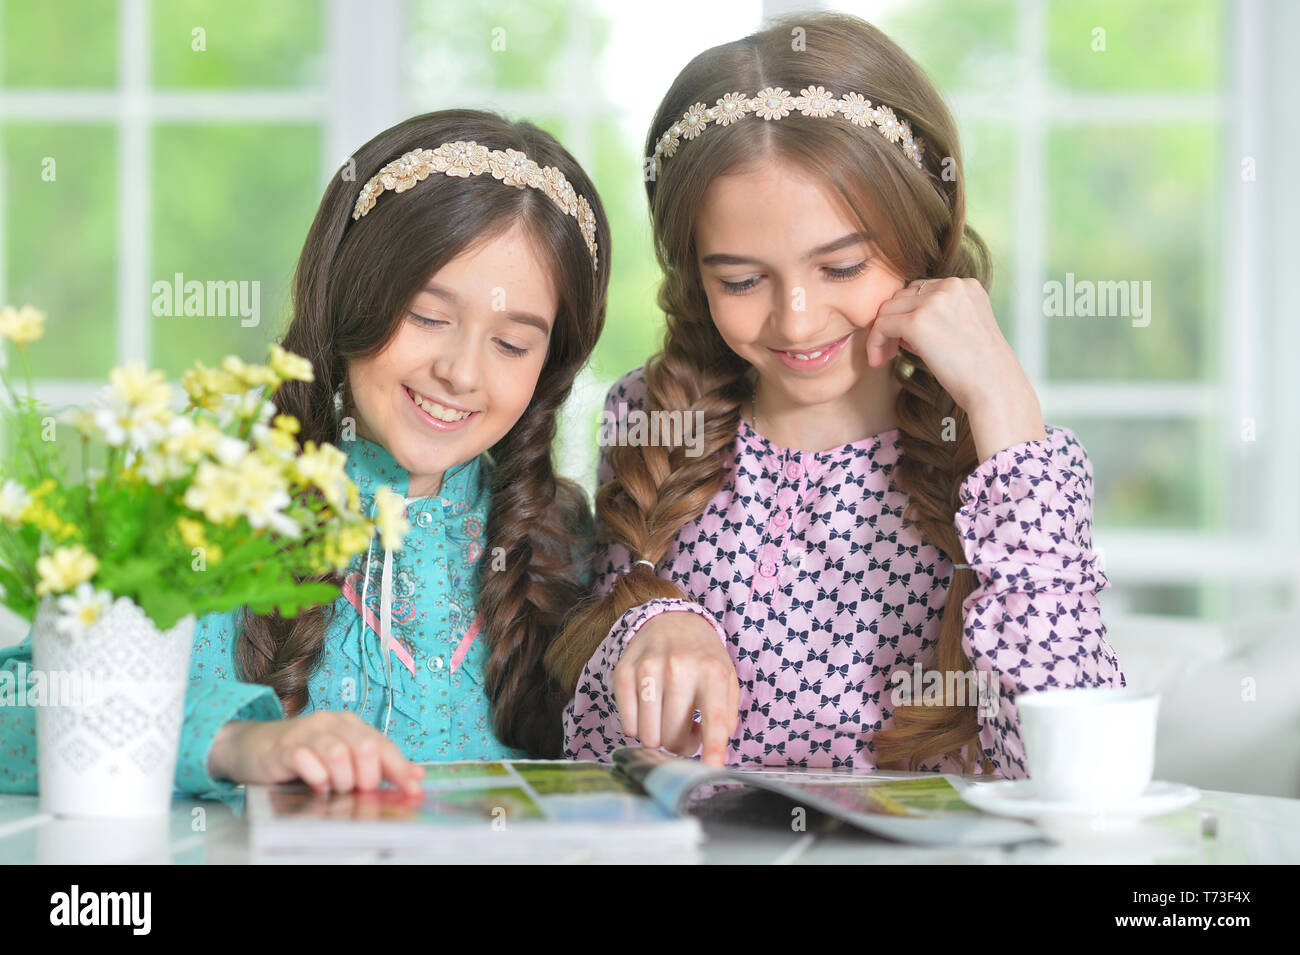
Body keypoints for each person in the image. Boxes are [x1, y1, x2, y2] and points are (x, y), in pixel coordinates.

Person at [546, 12, 1124, 776]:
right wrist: (649, 625)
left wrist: (1005, 410)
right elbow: (591, 755)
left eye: (842, 268)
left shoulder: (1002, 460)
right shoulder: (657, 420)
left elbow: (1076, 772)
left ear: (919, 234)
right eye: (742, 280)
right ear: (693, 273)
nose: (796, 317)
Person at [0, 109, 610, 797]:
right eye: (429, 316)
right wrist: (238, 739)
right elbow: (17, 705)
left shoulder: (564, 538)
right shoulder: (203, 499)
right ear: (351, 294)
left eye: (511, 343)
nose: (462, 374)